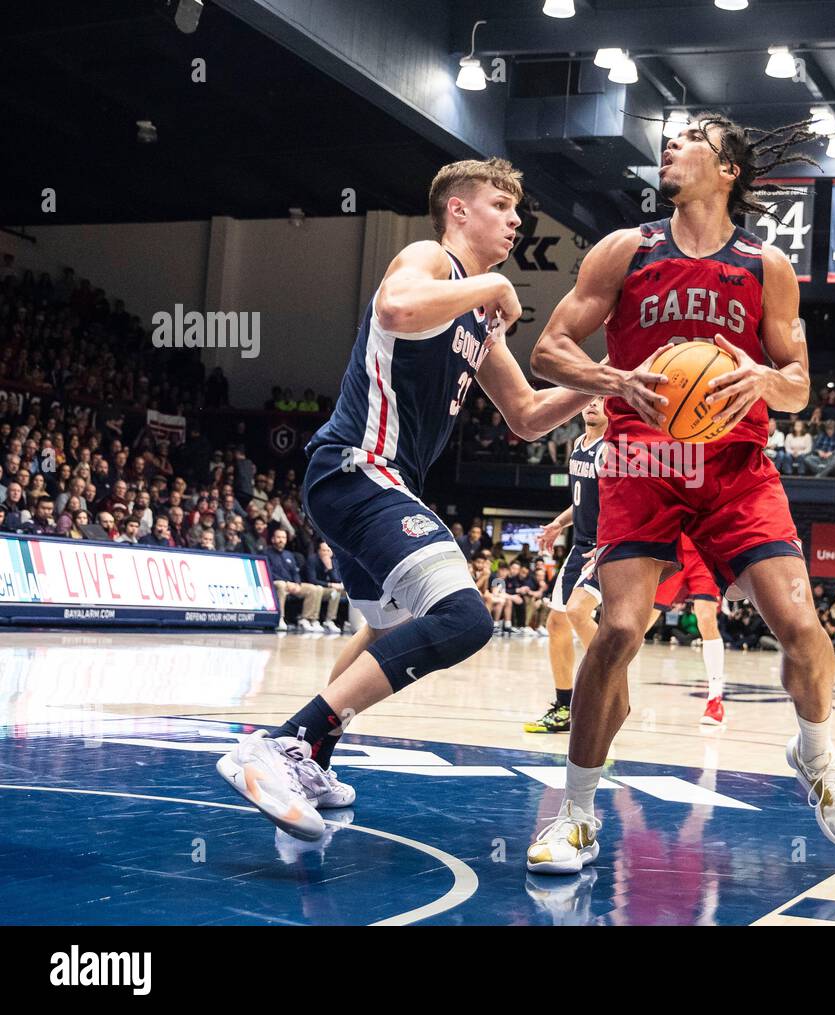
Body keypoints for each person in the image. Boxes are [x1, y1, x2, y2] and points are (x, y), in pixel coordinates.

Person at [525, 113, 835, 874]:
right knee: (616, 629)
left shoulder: (765, 266)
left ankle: (815, 755)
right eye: (667, 142)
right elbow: (548, 349)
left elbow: (799, 387)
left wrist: (763, 378)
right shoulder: (626, 250)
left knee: (803, 628)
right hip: (642, 464)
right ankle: (577, 812)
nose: (670, 149)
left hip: (735, 470)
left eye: (689, 141)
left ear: (728, 170)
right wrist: (614, 379)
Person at [215, 157, 593, 841]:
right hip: (361, 468)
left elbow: (529, 416)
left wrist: (608, 382)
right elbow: (394, 306)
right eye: (501, 206)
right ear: (458, 210)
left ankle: (310, 758)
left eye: (518, 210)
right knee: (464, 619)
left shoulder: (476, 314)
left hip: (368, 483)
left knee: (384, 632)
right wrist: (495, 281)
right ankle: (280, 743)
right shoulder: (430, 260)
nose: (515, 220)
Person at [525, 399, 607, 733]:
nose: (593, 404)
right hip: (579, 546)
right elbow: (581, 499)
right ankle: (564, 707)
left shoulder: (614, 449)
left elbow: (626, 503)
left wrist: (608, 544)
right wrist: (559, 523)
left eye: (602, 399)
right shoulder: (578, 444)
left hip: (605, 548)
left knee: (577, 612)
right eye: (590, 398)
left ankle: (611, 680)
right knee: (557, 623)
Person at [649, 533, 727, 725]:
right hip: (671, 550)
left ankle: (715, 700)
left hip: (704, 553)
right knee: (642, 622)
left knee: (707, 617)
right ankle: (608, 692)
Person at [266, 527, 324, 633]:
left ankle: (306, 619)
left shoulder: (289, 554)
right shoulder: (266, 553)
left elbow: (295, 572)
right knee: (281, 585)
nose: (281, 540)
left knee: (314, 589)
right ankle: (280, 618)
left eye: (283, 537)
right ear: (273, 539)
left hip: (292, 584)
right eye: (278, 537)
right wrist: (288, 583)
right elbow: (268, 572)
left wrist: (297, 583)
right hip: (275, 583)